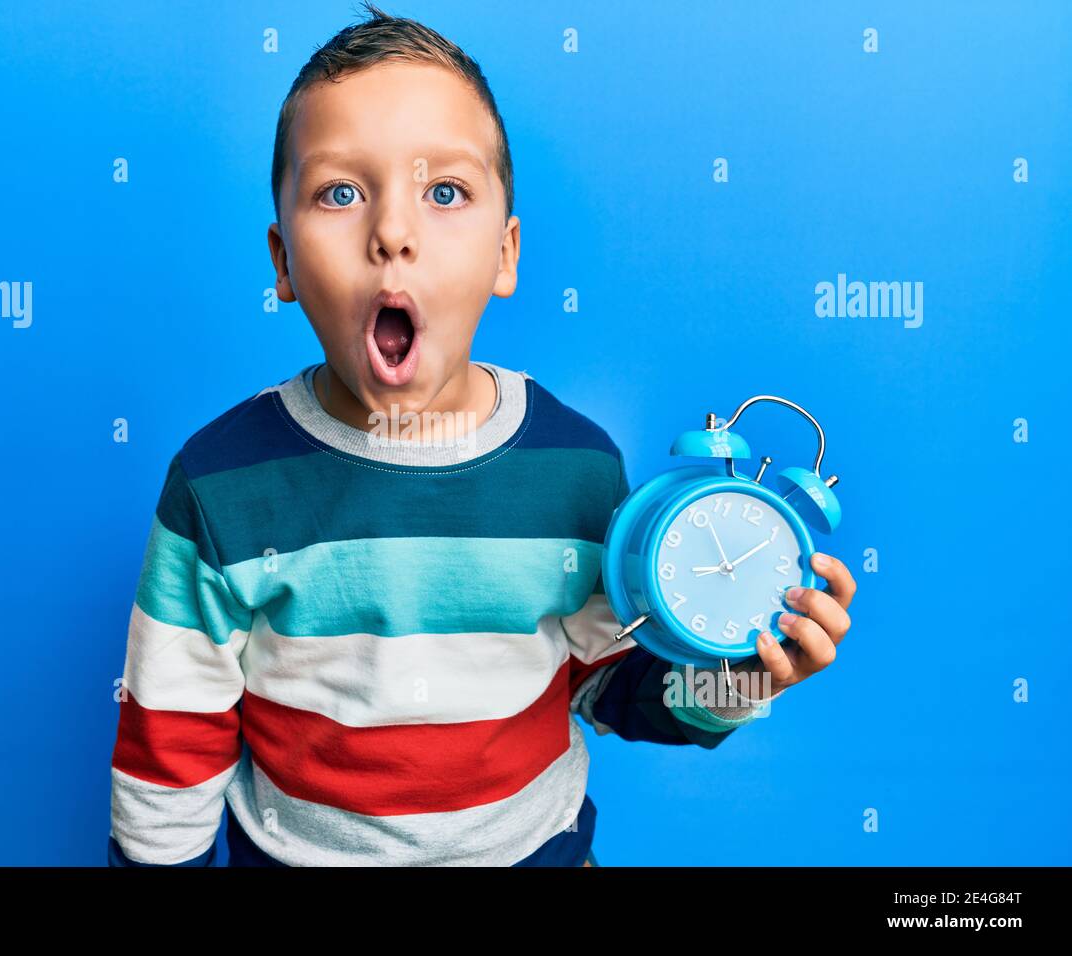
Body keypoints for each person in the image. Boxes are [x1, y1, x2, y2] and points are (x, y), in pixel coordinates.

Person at [108, 2, 857, 868]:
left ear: (504, 255)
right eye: (341, 193)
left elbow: (615, 686)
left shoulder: (574, 468)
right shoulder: (220, 486)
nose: (394, 233)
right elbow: (170, 755)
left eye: (444, 192)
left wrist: (744, 677)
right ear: (282, 263)